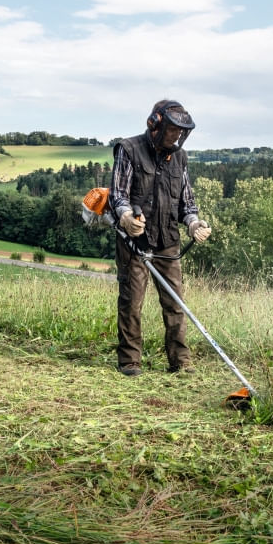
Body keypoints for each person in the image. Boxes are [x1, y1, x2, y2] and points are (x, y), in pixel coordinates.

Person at [108, 99, 212, 377]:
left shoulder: (180, 157)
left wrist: (193, 224)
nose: (177, 135)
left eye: (181, 131)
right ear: (156, 125)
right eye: (173, 129)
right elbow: (118, 195)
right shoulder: (129, 149)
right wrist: (126, 217)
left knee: (175, 303)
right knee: (132, 302)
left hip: (168, 240)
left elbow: (187, 204)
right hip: (135, 241)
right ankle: (130, 361)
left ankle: (180, 361)